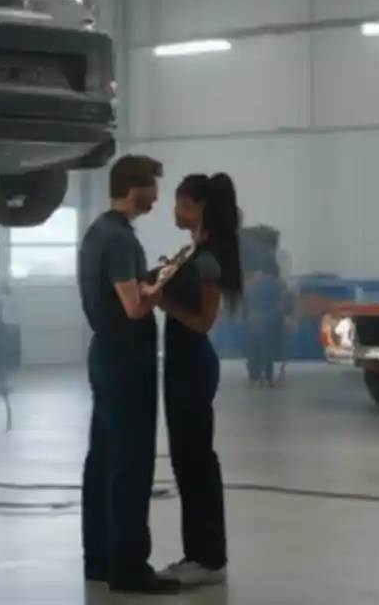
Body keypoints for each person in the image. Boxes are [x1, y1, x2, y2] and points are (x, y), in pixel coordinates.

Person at [77, 154, 181, 594]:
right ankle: (130, 565)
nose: (157, 198)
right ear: (134, 187)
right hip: (126, 359)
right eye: (154, 188)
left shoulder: (98, 232)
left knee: (103, 458)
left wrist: (148, 278)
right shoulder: (120, 240)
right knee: (131, 462)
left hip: (105, 354)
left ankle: (100, 559)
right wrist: (165, 283)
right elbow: (135, 306)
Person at [142, 173, 242, 588]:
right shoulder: (193, 252)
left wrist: (162, 300)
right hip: (183, 363)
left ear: (200, 206)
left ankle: (207, 557)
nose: (175, 212)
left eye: (182, 204)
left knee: (196, 461)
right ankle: (200, 554)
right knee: (187, 460)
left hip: (193, 363)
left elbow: (203, 321)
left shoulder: (207, 259)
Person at [244, 260, 287, 388]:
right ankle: (268, 378)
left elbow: (248, 303)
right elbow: (282, 304)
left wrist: (252, 316)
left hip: (256, 320)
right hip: (271, 320)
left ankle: (255, 376)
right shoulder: (278, 284)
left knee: (255, 349)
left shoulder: (255, 285)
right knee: (268, 349)